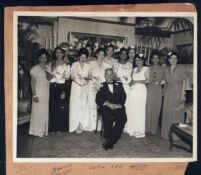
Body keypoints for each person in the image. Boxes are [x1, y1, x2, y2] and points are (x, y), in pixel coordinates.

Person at [96, 68, 127, 150]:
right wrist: (108, 104)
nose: (109, 76)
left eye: (111, 74)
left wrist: (118, 105)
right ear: (104, 75)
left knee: (123, 119)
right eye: (107, 74)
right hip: (106, 107)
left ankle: (110, 140)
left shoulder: (119, 84)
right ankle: (108, 139)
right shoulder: (101, 85)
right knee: (108, 118)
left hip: (117, 107)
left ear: (113, 75)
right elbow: (98, 99)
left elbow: (123, 96)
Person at [161, 51, 186, 139]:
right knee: (167, 112)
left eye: (175, 58)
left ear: (178, 60)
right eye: (171, 58)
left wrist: (183, 94)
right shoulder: (166, 69)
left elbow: (184, 81)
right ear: (168, 60)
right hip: (168, 92)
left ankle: (176, 136)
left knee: (176, 113)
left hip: (177, 91)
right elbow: (163, 81)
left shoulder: (181, 68)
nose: (173, 60)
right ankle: (166, 134)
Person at [84, 48, 110, 131]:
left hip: (102, 87)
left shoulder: (106, 65)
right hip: (92, 86)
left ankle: (99, 126)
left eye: (103, 54)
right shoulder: (91, 63)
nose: (101, 56)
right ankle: (91, 125)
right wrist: (94, 80)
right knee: (92, 104)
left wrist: (101, 83)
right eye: (100, 54)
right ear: (96, 54)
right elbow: (88, 75)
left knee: (101, 105)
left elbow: (108, 77)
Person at [48, 47, 71, 133]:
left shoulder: (67, 65)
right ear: (55, 54)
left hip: (62, 87)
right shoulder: (51, 63)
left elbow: (67, 80)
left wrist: (64, 91)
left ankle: (59, 128)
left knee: (61, 108)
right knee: (52, 107)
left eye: (60, 52)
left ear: (63, 54)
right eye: (57, 53)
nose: (58, 54)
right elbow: (49, 76)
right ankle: (52, 128)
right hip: (53, 87)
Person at [127, 54, 150, 138]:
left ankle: (139, 131)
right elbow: (131, 80)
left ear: (143, 61)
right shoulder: (134, 69)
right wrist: (130, 82)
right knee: (132, 108)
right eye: (136, 60)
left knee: (139, 110)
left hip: (141, 91)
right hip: (133, 91)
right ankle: (132, 129)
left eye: (139, 60)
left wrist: (137, 82)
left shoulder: (146, 69)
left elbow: (148, 80)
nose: (138, 62)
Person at [29, 49, 50, 137]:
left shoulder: (48, 67)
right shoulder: (34, 69)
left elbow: (49, 80)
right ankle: (37, 131)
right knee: (37, 112)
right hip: (38, 92)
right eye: (42, 57)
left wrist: (50, 77)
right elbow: (32, 82)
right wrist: (35, 94)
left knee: (44, 112)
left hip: (46, 92)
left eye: (45, 57)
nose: (43, 59)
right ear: (39, 58)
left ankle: (44, 130)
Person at [69, 48, 90, 134]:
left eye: (84, 57)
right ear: (78, 57)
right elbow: (72, 76)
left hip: (84, 87)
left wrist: (86, 80)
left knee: (83, 105)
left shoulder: (88, 66)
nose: (83, 59)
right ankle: (75, 125)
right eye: (81, 57)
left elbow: (89, 76)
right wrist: (79, 82)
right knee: (75, 105)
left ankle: (82, 124)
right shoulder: (74, 64)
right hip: (76, 86)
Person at [113, 47, 132, 132]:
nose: (124, 55)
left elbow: (131, 77)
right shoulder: (115, 64)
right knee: (118, 106)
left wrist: (122, 79)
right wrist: (122, 79)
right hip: (118, 87)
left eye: (125, 54)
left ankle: (125, 126)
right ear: (119, 55)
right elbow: (113, 77)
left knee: (126, 106)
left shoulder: (130, 64)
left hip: (127, 88)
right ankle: (116, 126)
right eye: (122, 54)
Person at [145, 51, 165, 135]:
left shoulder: (163, 68)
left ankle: (153, 129)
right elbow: (145, 79)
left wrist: (160, 83)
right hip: (149, 89)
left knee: (156, 109)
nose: (155, 59)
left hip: (158, 90)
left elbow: (165, 79)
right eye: (154, 58)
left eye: (157, 58)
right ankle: (147, 128)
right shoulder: (148, 68)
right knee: (148, 108)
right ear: (151, 59)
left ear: (159, 59)